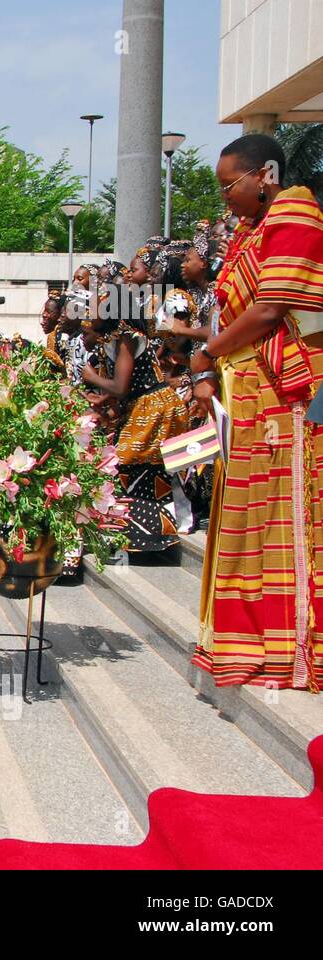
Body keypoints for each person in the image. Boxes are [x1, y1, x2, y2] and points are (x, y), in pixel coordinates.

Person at [191, 134, 323, 691]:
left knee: (281, 516)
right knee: (250, 513)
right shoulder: (253, 230)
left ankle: (286, 647)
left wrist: (207, 353)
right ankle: (249, 642)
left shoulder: (296, 211)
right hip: (249, 391)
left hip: (286, 396)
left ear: (264, 173)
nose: (227, 199)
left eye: (230, 185)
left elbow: (270, 309)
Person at [80, 288, 188, 553]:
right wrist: (100, 401)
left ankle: (148, 536)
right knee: (128, 470)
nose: (89, 310)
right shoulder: (116, 338)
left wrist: (91, 377)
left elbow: (120, 386)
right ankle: (134, 536)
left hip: (153, 409)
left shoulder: (127, 338)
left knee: (128, 466)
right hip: (142, 407)